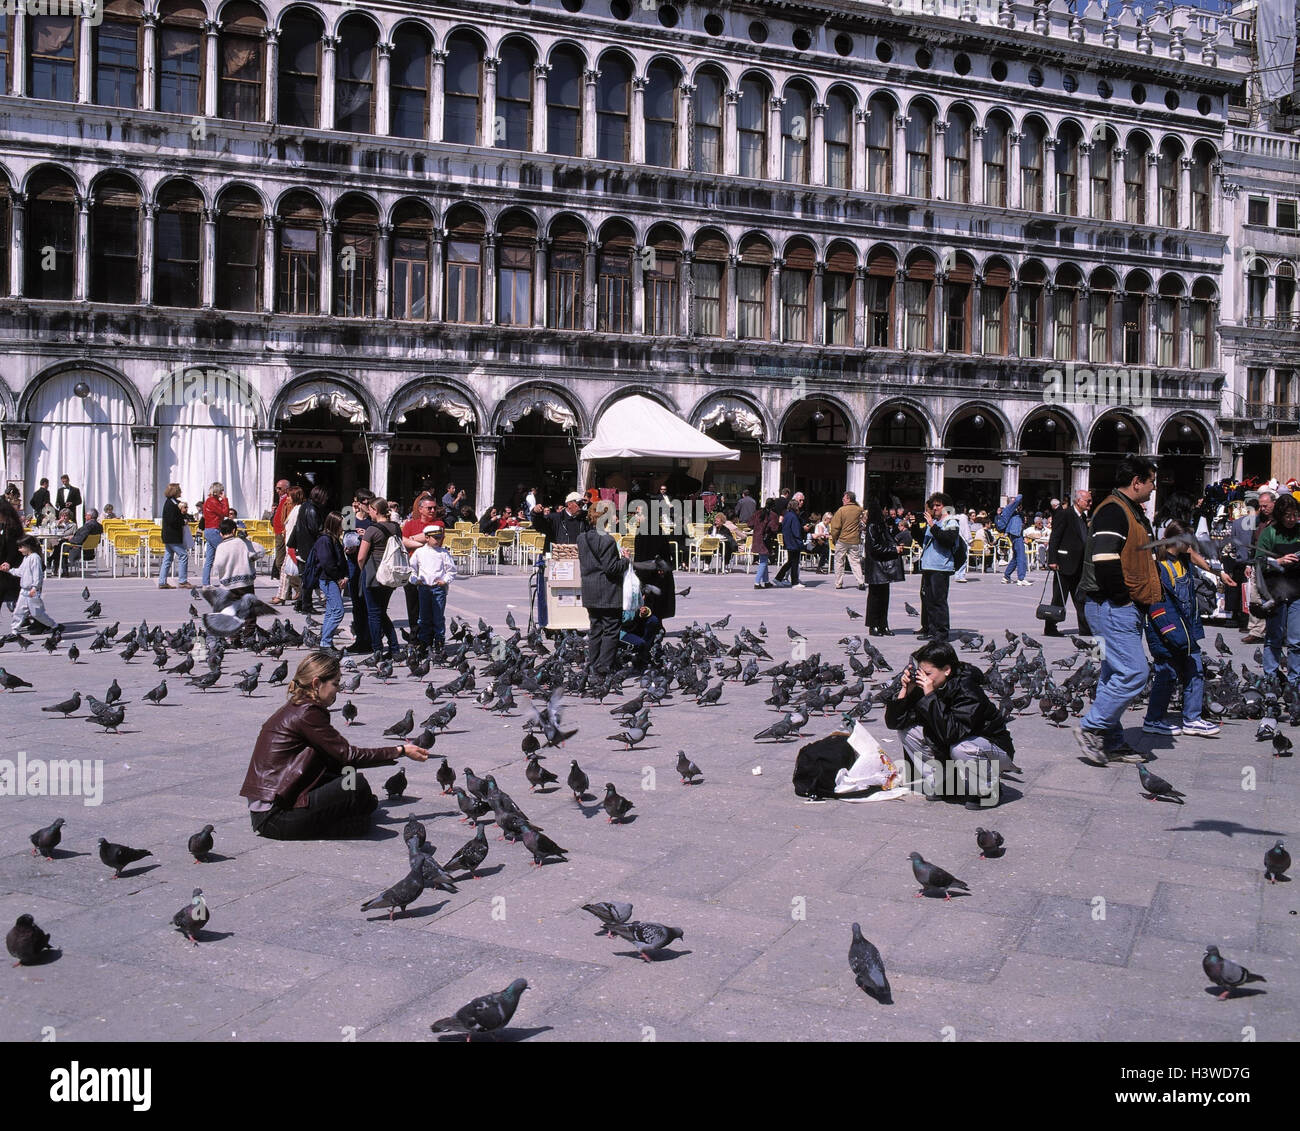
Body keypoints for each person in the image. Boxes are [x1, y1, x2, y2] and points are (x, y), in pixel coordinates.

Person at [241, 652, 429, 839]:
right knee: (357, 787)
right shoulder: (308, 712)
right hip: (276, 816)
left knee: (351, 779)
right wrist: (401, 750)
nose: (338, 690)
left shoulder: (297, 706)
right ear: (316, 683)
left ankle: (352, 810)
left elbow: (338, 759)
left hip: (273, 806)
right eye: (335, 683)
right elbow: (349, 756)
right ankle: (351, 819)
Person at [1075, 455, 1162, 766]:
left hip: (1118, 604)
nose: (1153, 488)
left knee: (1113, 673)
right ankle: (1091, 727)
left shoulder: (1130, 511)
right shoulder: (1114, 510)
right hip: (1111, 605)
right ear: (1136, 482)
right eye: (1151, 481)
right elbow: (1105, 559)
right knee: (1135, 670)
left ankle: (1111, 741)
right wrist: (1122, 599)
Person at [884, 641, 1017, 808]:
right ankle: (946, 782)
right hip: (956, 743)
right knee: (907, 730)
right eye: (921, 672)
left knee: (961, 748)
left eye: (928, 673)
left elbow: (952, 733)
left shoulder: (967, 689)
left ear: (946, 670)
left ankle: (988, 789)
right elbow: (895, 722)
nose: (923, 677)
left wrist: (930, 696)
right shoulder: (927, 684)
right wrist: (906, 690)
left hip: (991, 748)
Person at [1141, 520, 1220, 737]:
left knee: (1195, 670)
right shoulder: (1158, 566)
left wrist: (1217, 573)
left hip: (1185, 628)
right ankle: (1154, 719)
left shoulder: (1183, 558)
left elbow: (1194, 554)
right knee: (1167, 673)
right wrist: (1170, 633)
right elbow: (1156, 606)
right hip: (1166, 630)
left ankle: (1192, 719)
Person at [577, 502, 632, 678]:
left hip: (590, 589)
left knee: (595, 629)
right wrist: (625, 560)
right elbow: (610, 568)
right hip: (607, 591)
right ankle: (603, 668)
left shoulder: (581, 538)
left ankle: (592, 664)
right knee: (611, 629)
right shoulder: (608, 540)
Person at [1256, 491, 1300, 688]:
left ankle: (1294, 681)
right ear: (1280, 515)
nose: (1292, 519)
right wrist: (1279, 561)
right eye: (1288, 515)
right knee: (1274, 637)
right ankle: (1271, 678)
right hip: (1276, 591)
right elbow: (1259, 561)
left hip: (1297, 591)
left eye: (1295, 515)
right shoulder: (1270, 533)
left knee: (1296, 640)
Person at [355, 497, 403, 653]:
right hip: (390, 575)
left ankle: (377, 649)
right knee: (382, 611)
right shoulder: (396, 527)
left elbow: (361, 557)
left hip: (373, 574)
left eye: (370, 510)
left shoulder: (372, 530)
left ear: (375, 510)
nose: (369, 513)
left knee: (374, 614)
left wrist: (363, 570)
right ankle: (394, 648)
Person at [1045, 489, 1091, 636]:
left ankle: (1085, 628)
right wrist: (1052, 560)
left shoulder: (1083, 517)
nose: (1090, 503)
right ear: (1078, 501)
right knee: (1059, 597)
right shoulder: (1065, 514)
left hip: (1079, 565)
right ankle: (1050, 627)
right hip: (1063, 563)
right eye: (1087, 501)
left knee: (1081, 598)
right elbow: (1055, 538)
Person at [918, 493, 960, 643]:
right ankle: (931, 629)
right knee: (928, 599)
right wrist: (915, 525)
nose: (934, 508)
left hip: (941, 567)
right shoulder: (934, 522)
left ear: (946, 507)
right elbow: (921, 539)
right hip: (929, 565)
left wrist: (932, 526)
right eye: (933, 505)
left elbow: (947, 540)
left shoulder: (951, 521)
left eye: (938, 505)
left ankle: (942, 633)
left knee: (939, 601)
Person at [411, 522, 457, 651]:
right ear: (427, 538)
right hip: (424, 587)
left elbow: (451, 570)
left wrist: (445, 580)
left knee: (438, 617)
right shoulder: (419, 552)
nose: (438, 540)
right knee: (424, 617)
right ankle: (424, 641)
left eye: (440, 537)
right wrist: (415, 580)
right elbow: (411, 569)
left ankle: (439, 641)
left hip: (438, 588)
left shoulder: (443, 553)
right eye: (435, 538)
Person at [863, 498, 904, 636]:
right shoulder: (872, 526)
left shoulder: (882, 525)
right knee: (875, 598)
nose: (887, 511)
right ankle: (873, 625)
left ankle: (883, 624)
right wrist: (893, 550)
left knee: (884, 598)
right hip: (876, 567)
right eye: (885, 509)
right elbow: (874, 547)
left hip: (884, 567)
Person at [1242, 484, 1278, 643]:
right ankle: (1256, 631)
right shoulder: (1258, 521)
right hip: (1258, 563)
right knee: (1255, 597)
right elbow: (1252, 543)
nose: (1262, 508)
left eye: (1266, 506)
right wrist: (1248, 564)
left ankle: (1276, 631)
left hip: (1275, 564)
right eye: (1261, 506)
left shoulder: (1280, 521)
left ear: (1274, 504)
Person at [309, 512, 348, 651]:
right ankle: (325, 642)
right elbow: (327, 563)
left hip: (331, 579)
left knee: (331, 612)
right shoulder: (325, 540)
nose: (343, 528)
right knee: (338, 611)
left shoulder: (333, 539)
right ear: (334, 525)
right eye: (340, 525)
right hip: (328, 579)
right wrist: (338, 578)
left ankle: (326, 642)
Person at [344, 490, 376, 654]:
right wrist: (348, 545)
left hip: (369, 566)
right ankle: (360, 639)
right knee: (357, 603)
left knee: (369, 603)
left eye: (371, 502)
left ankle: (370, 639)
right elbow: (344, 537)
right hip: (353, 564)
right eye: (365, 502)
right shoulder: (349, 516)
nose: (368, 506)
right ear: (357, 502)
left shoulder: (373, 520)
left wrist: (366, 536)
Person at [8, 535, 61, 634]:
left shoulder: (35, 558)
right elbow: (21, 572)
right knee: (18, 612)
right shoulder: (26, 558)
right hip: (24, 590)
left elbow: (38, 575)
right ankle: (14, 631)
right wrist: (9, 570)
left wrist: (35, 587)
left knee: (37, 613)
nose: (19, 550)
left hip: (32, 590)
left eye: (21, 547)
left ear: (28, 546)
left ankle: (54, 626)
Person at [401, 494, 438, 631]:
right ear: (420, 509)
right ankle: (414, 635)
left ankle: (428, 637)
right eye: (429, 508)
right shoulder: (410, 524)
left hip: (431, 571)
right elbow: (403, 542)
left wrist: (412, 539)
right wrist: (424, 542)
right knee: (413, 606)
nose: (433, 511)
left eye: (434, 508)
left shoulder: (439, 523)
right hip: (412, 569)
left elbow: (434, 537)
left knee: (431, 607)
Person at [48, 509, 102, 577]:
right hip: (90, 548)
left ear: (90, 516)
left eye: (86, 515)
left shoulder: (88, 526)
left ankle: (57, 565)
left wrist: (70, 538)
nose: (85, 517)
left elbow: (79, 539)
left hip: (80, 548)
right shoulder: (99, 526)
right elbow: (97, 540)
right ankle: (54, 564)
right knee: (61, 544)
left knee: (61, 545)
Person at [274, 486, 305, 606]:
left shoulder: (299, 510)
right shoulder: (295, 509)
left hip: (294, 545)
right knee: (284, 571)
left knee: (304, 572)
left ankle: (322, 596)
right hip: (291, 544)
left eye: (289, 496)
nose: (287, 498)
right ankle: (281, 596)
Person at [828, 492, 865, 589]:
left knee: (839, 561)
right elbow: (864, 520)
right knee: (855, 561)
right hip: (854, 540)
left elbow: (835, 527)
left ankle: (838, 583)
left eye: (844, 498)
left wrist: (834, 538)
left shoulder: (841, 510)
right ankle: (861, 581)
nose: (842, 500)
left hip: (843, 540)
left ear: (848, 499)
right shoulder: (859, 510)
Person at [212, 518, 258, 596]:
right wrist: (251, 558)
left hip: (229, 585)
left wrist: (217, 572)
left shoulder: (221, 547)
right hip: (247, 583)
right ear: (234, 531)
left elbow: (217, 565)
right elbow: (261, 551)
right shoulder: (243, 542)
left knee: (232, 607)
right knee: (248, 607)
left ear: (220, 533)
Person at [158, 485, 190, 588]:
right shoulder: (172, 504)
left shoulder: (171, 502)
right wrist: (182, 521)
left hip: (168, 535)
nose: (181, 491)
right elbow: (172, 520)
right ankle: (183, 580)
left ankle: (162, 581)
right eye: (179, 490)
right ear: (175, 492)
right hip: (173, 535)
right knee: (183, 555)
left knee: (168, 557)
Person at [199, 482, 230, 587]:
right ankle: (225, 580)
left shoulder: (210, 501)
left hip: (209, 530)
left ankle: (205, 583)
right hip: (214, 530)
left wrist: (221, 501)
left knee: (209, 559)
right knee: (225, 554)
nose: (222, 493)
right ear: (217, 491)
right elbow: (225, 513)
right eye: (221, 491)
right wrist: (225, 500)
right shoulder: (213, 501)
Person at [774, 495, 807, 588]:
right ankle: (794, 582)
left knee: (790, 562)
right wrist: (800, 541)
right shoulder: (794, 517)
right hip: (794, 542)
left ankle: (778, 578)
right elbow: (796, 531)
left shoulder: (787, 515)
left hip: (788, 541)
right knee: (794, 562)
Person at [997, 493, 1030, 585]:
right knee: (1021, 556)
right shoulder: (1009, 508)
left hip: (1014, 533)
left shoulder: (1011, 511)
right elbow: (1019, 498)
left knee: (1016, 556)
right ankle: (1021, 578)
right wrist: (1018, 495)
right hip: (1015, 533)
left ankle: (1006, 576)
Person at [0, 498, 23, 627]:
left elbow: (13, 548)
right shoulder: (3, 524)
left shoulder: (12, 527)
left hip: (9, 566)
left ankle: (41, 622)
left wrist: (8, 562)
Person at [619, 603, 662, 668]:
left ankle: (645, 654)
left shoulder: (636, 594)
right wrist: (635, 612)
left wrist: (644, 611)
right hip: (622, 630)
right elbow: (625, 619)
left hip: (634, 623)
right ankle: (640, 655)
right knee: (641, 643)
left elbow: (647, 606)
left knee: (653, 620)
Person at [750, 498, 780, 590]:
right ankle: (757, 582)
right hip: (765, 540)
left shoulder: (758, 513)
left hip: (757, 538)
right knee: (763, 562)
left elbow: (749, 523)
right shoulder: (773, 515)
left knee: (764, 560)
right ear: (773, 506)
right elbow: (774, 528)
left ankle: (766, 581)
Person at [270, 479, 292, 581]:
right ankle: (287, 590)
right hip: (278, 532)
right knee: (281, 563)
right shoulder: (281, 499)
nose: (277, 490)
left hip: (282, 533)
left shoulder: (288, 500)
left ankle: (296, 587)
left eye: (279, 488)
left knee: (281, 563)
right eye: (276, 488)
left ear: (286, 489)